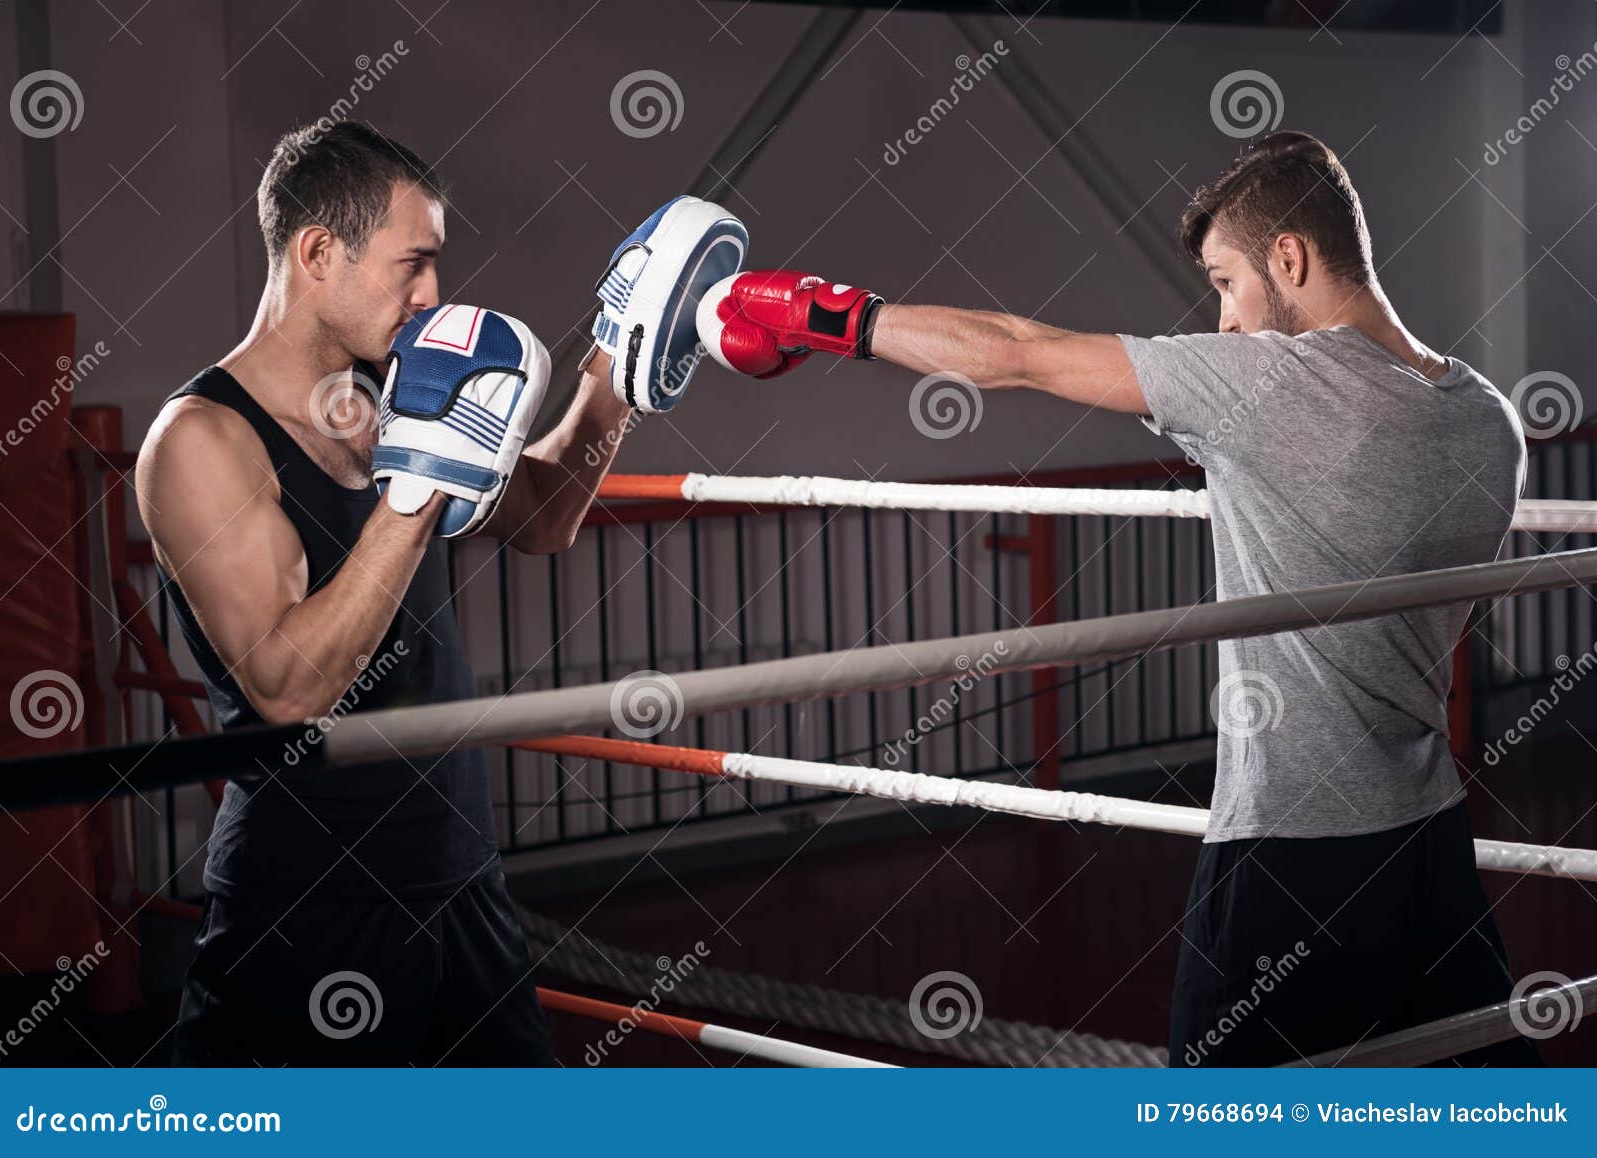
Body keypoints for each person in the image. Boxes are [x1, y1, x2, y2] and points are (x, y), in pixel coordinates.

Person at [697, 130, 1535, 1066]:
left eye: (1227, 282)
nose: (1223, 320)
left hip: (1294, 844)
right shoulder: (1488, 417)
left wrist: (829, 316)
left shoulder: (1271, 386)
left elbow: (1018, 352)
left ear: (1289, 259)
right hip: (1425, 836)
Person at [137, 120, 743, 1064]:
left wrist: (614, 370)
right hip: (310, 908)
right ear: (317, 252)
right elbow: (289, 687)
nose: (431, 295)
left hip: (459, 881)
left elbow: (541, 517)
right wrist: (418, 487)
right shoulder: (202, 441)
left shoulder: (391, 390)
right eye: (412, 263)